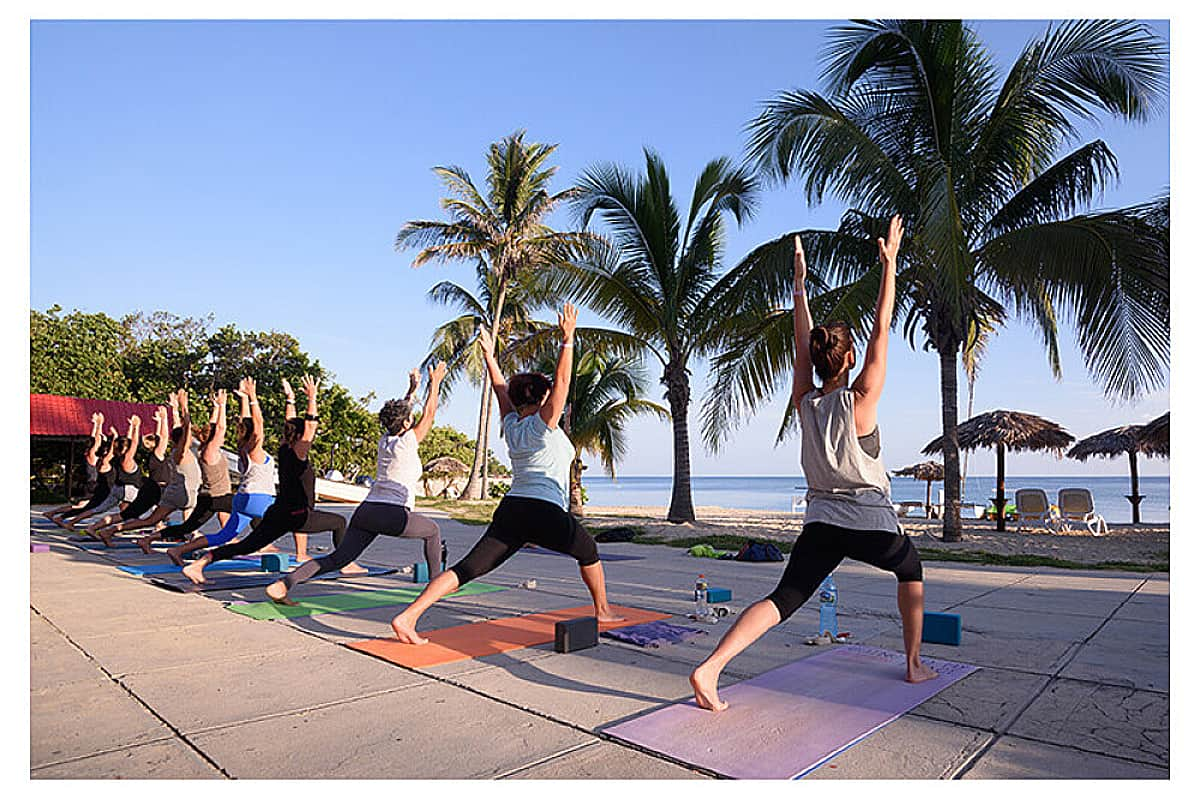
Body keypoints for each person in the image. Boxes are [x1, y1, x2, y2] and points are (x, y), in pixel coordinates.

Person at [690, 217, 936, 713]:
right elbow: (883, 329)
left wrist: (800, 288)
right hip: (869, 524)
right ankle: (912, 663)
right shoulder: (860, 400)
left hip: (821, 523)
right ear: (848, 361)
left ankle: (711, 667)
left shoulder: (806, 403)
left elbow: (802, 349)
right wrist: (889, 265)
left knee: (785, 597)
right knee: (911, 568)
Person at [387, 304, 622, 645]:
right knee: (588, 552)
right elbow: (563, 382)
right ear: (541, 399)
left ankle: (409, 617)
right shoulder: (544, 425)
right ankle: (603, 610)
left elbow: (500, 388)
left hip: (513, 509)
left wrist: (488, 355)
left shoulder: (511, 424)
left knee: (467, 569)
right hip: (543, 509)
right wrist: (567, 340)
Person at [266, 361, 448, 605]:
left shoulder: (386, 439)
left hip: (367, 511)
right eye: (409, 419)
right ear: (406, 424)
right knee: (433, 531)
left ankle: (283, 584)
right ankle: (435, 585)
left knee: (338, 559)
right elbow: (430, 412)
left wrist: (412, 388)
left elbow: (401, 416)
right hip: (391, 513)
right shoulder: (407, 442)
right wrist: (434, 383)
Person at [182, 375, 347, 584]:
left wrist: (291, 398)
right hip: (297, 515)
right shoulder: (298, 454)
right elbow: (309, 428)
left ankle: (200, 564)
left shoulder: (285, 449)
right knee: (340, 522)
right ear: (300, 437)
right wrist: (312, 398)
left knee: (247, 545)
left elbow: (291, 424)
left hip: (277, 512)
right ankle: (346, 563)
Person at [164, 377, 283, 565]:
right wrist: (252, 397)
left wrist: (244, 399)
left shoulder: (242, 447)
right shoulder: (255, 450)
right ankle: (281, 548)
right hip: (258, 499)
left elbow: (247, 423)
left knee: (224, 535)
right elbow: (257, 423)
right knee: (294, 517)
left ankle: (179, 550)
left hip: (242, 499)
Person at [93, 390, 201, 544]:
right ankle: (112, 530)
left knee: (150, 521)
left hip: (178, 492)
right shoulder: (180, 452)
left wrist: (174, 409)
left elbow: (176, 430)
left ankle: (111, 531)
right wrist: (184, 407)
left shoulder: (179, 449)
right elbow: (183, 431)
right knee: (153, 520)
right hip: (178, 494)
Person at [135, 390, 234, 553]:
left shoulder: (206, 446)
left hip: (210, 496)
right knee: (252, 509)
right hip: (217, 496)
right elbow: (220, 428)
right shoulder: (209, 449)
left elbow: (213, 427)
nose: (222, 437)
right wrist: (223, 405)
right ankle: (255, 542)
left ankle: (149, 539)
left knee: (188, 527)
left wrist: (216, 407)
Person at [73, 416, 144, 531]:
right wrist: (137, 426)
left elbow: (128, 442)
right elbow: (134, 443)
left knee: (98, 509)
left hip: (117, 489)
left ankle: (81, 524)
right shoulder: (128, 459)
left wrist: (131, 427)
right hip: (129, 490)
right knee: (150, 507)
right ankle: (156, 523)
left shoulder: (114, 457)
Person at [45, 413, 105, 524]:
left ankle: (55, 514)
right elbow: (97, 440)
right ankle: (56, 515)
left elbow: (94, 439)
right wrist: (99, 424)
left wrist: (95, 425)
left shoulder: (88, 452)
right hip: (91, 483)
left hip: (90, 483)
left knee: (82, 506)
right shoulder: (92, 454)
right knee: (82, 507)